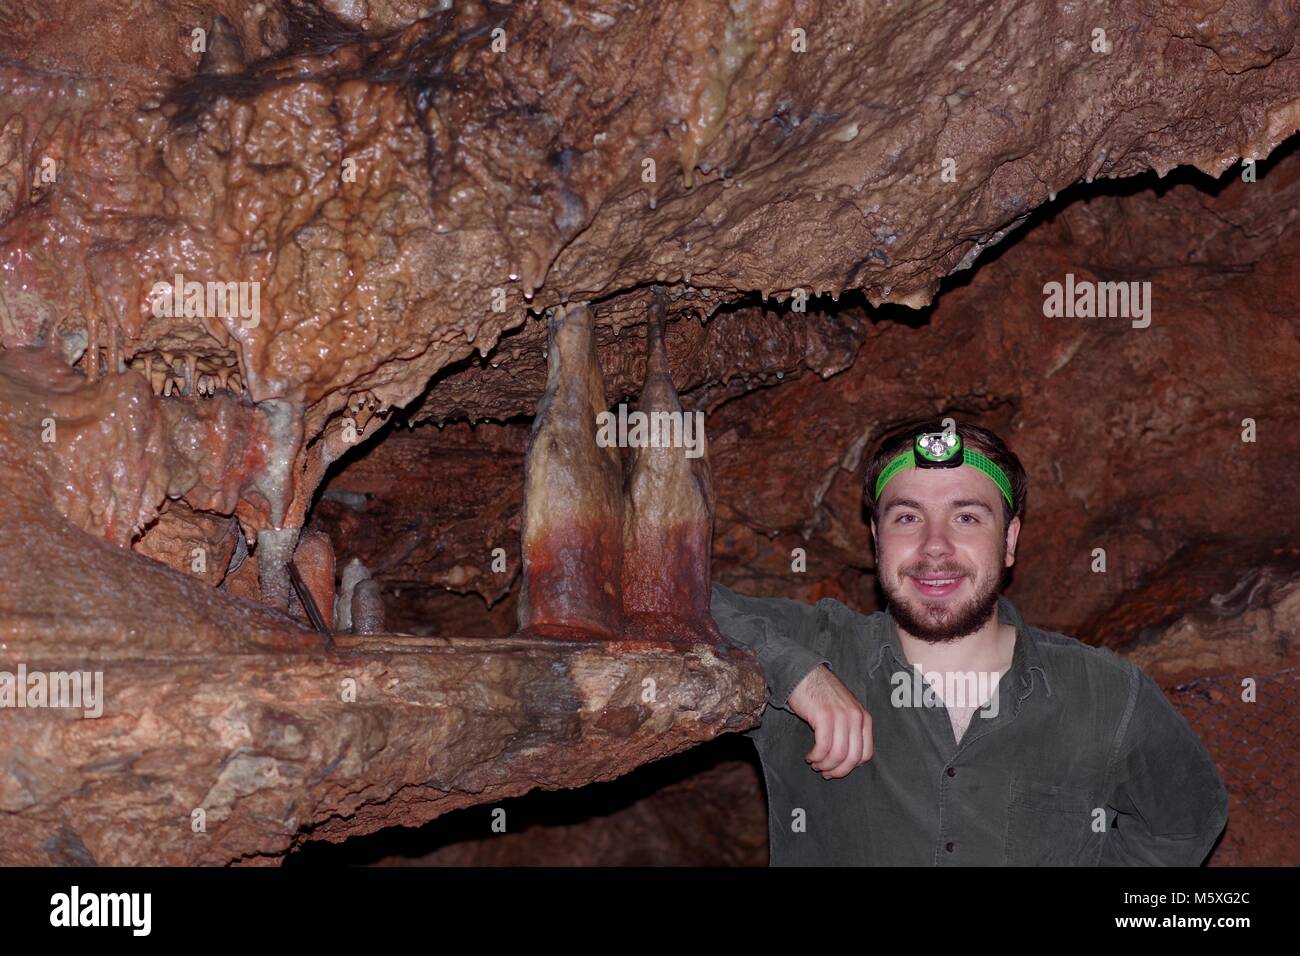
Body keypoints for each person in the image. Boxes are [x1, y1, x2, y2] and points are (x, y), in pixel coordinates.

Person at [712, 418, 1229, 865]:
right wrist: (796, 673)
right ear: (876, 539)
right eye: (908, 517)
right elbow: (663, 593)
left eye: (966, 517)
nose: (934, 546)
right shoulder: (818, 646)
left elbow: (1188, 820)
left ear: (1009, 540)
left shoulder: (1106, 695)